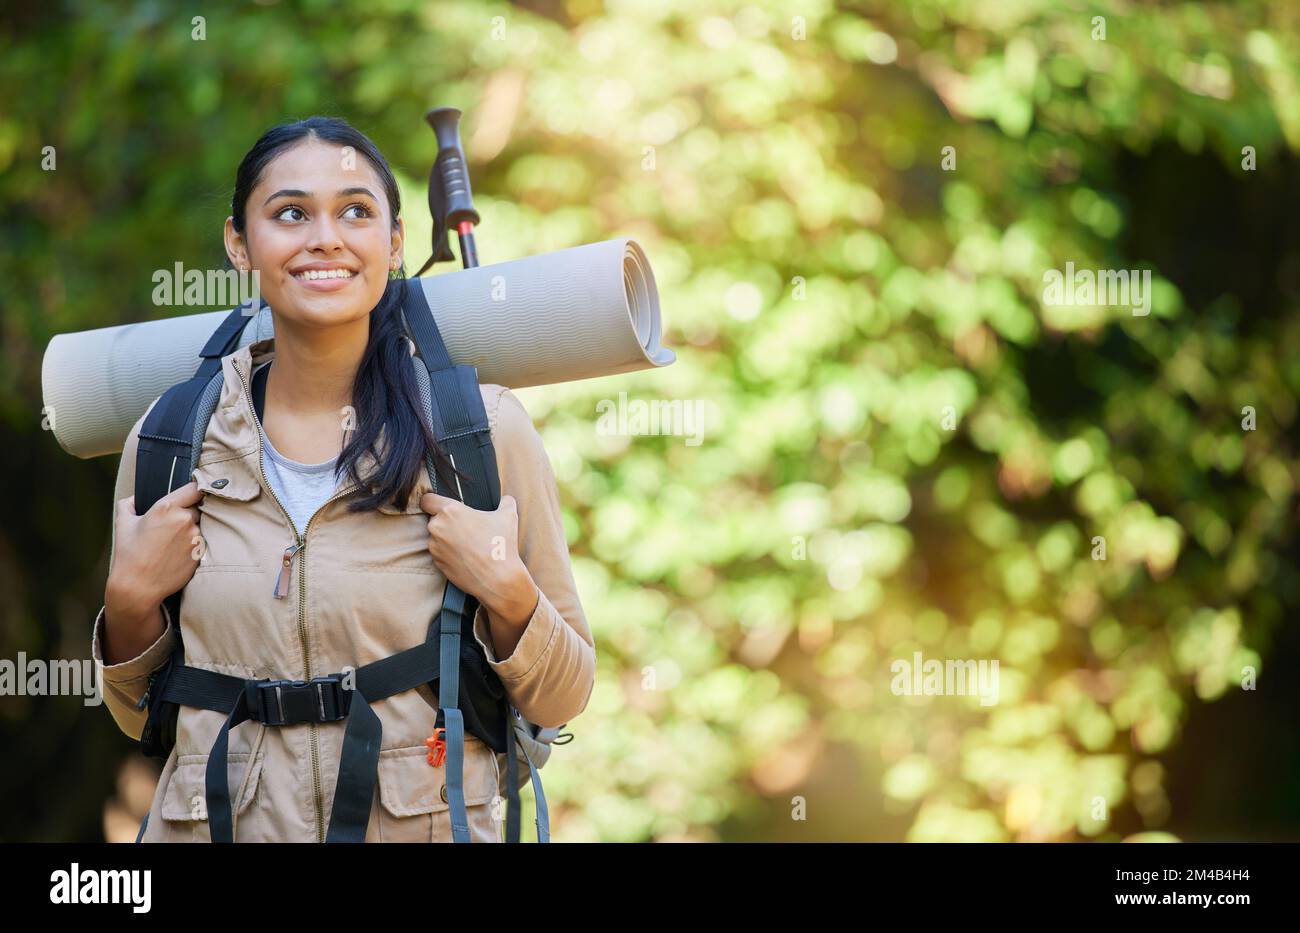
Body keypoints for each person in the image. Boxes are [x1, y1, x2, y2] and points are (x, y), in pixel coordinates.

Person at [91, 116, 596, 842]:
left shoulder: (476, 431)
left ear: (393, 244)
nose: (324, 237)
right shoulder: (172, 439)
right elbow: (146, 716)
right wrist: (130, 601)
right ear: (240, 243)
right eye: (290, 213)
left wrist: (505, 585)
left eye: (356, 211)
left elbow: (565, 693)